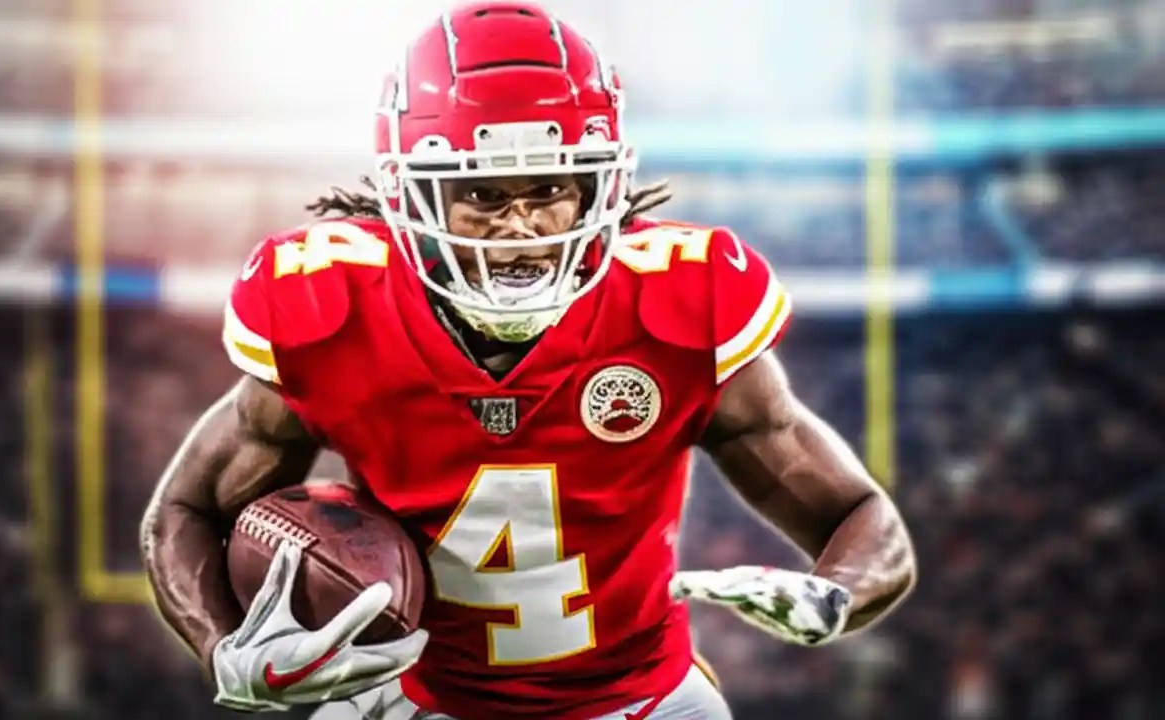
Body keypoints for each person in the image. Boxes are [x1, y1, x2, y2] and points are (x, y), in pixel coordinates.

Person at [140, 3, 916, 718]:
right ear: (409, 201)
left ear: (599, 186)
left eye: (549, 187)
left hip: (642, 699)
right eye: (479, 192)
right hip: (409, 696)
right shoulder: (329, 310)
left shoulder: (681, 304)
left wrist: (837, 595)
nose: (521, 227)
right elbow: (185, 512)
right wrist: (224, 648)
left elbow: (859, 516)